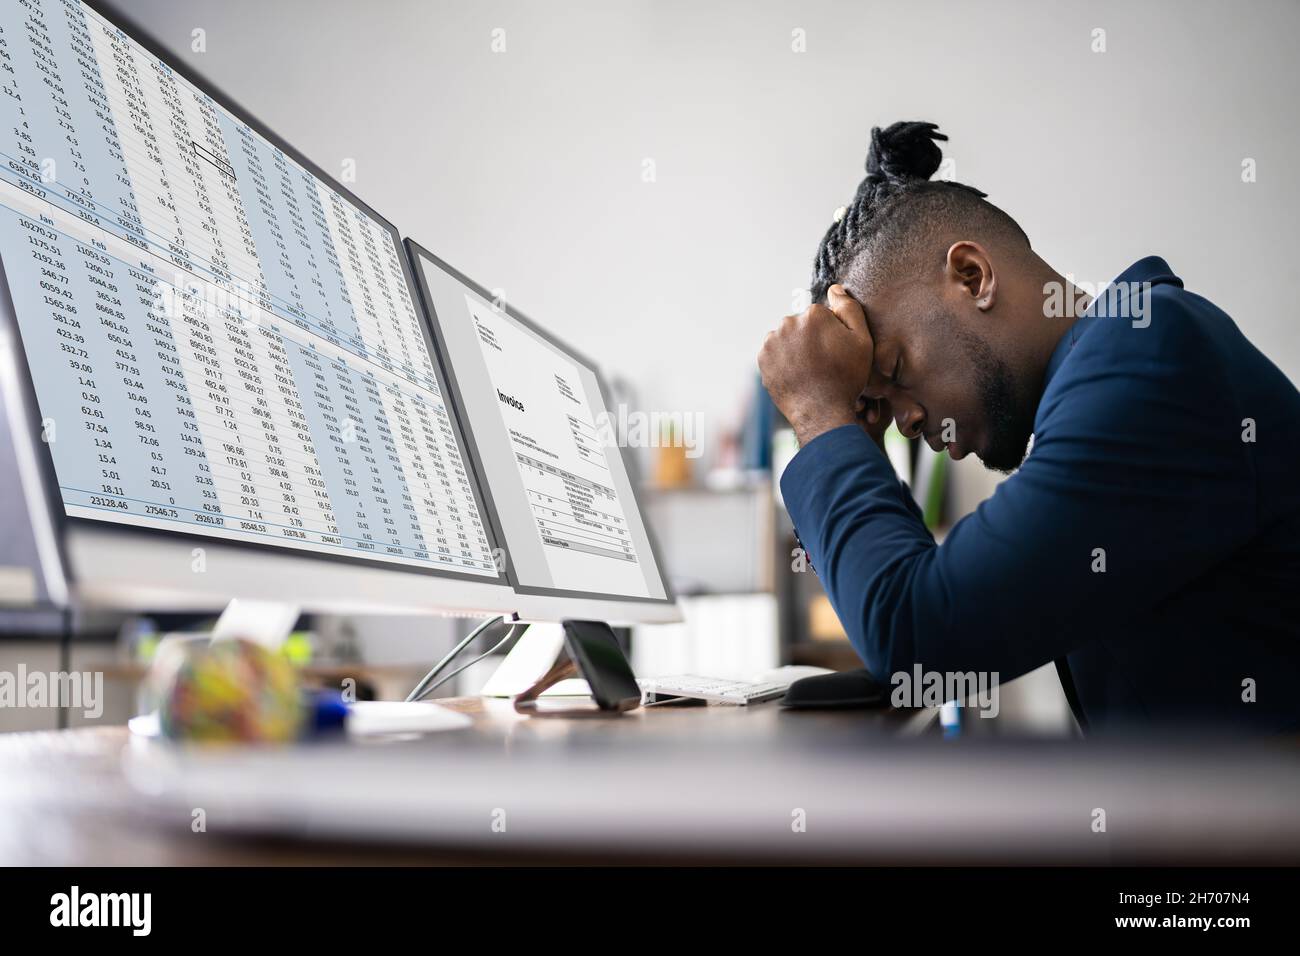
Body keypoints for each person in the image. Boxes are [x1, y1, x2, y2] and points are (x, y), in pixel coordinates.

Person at [757, 121, 1300, 732]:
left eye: (896, 370)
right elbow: (921, 627)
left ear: (972, 277)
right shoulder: (1128, 356)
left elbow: (916, 634)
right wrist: (851, 433)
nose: (904, 423)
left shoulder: (1149, 362)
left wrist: (820, 413)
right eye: (879, 403)